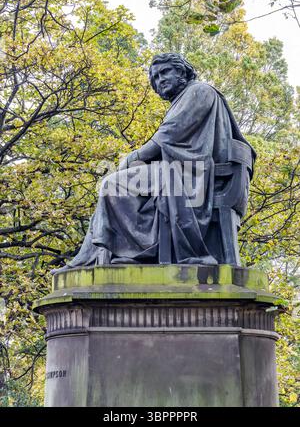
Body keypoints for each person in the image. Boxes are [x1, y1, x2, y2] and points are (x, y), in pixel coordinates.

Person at [51, 53, 255, 274]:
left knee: (113, 185)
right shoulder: (186, 97)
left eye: (165, 72)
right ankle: (126, 253)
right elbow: (174, 142)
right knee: (116, 185)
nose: (160, 80)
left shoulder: (199, 91)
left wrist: (131, 159)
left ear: (182, 71)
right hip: (184, 170)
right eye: (156, 78)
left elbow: (168, 136)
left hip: (194, 175)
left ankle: (117, 255)